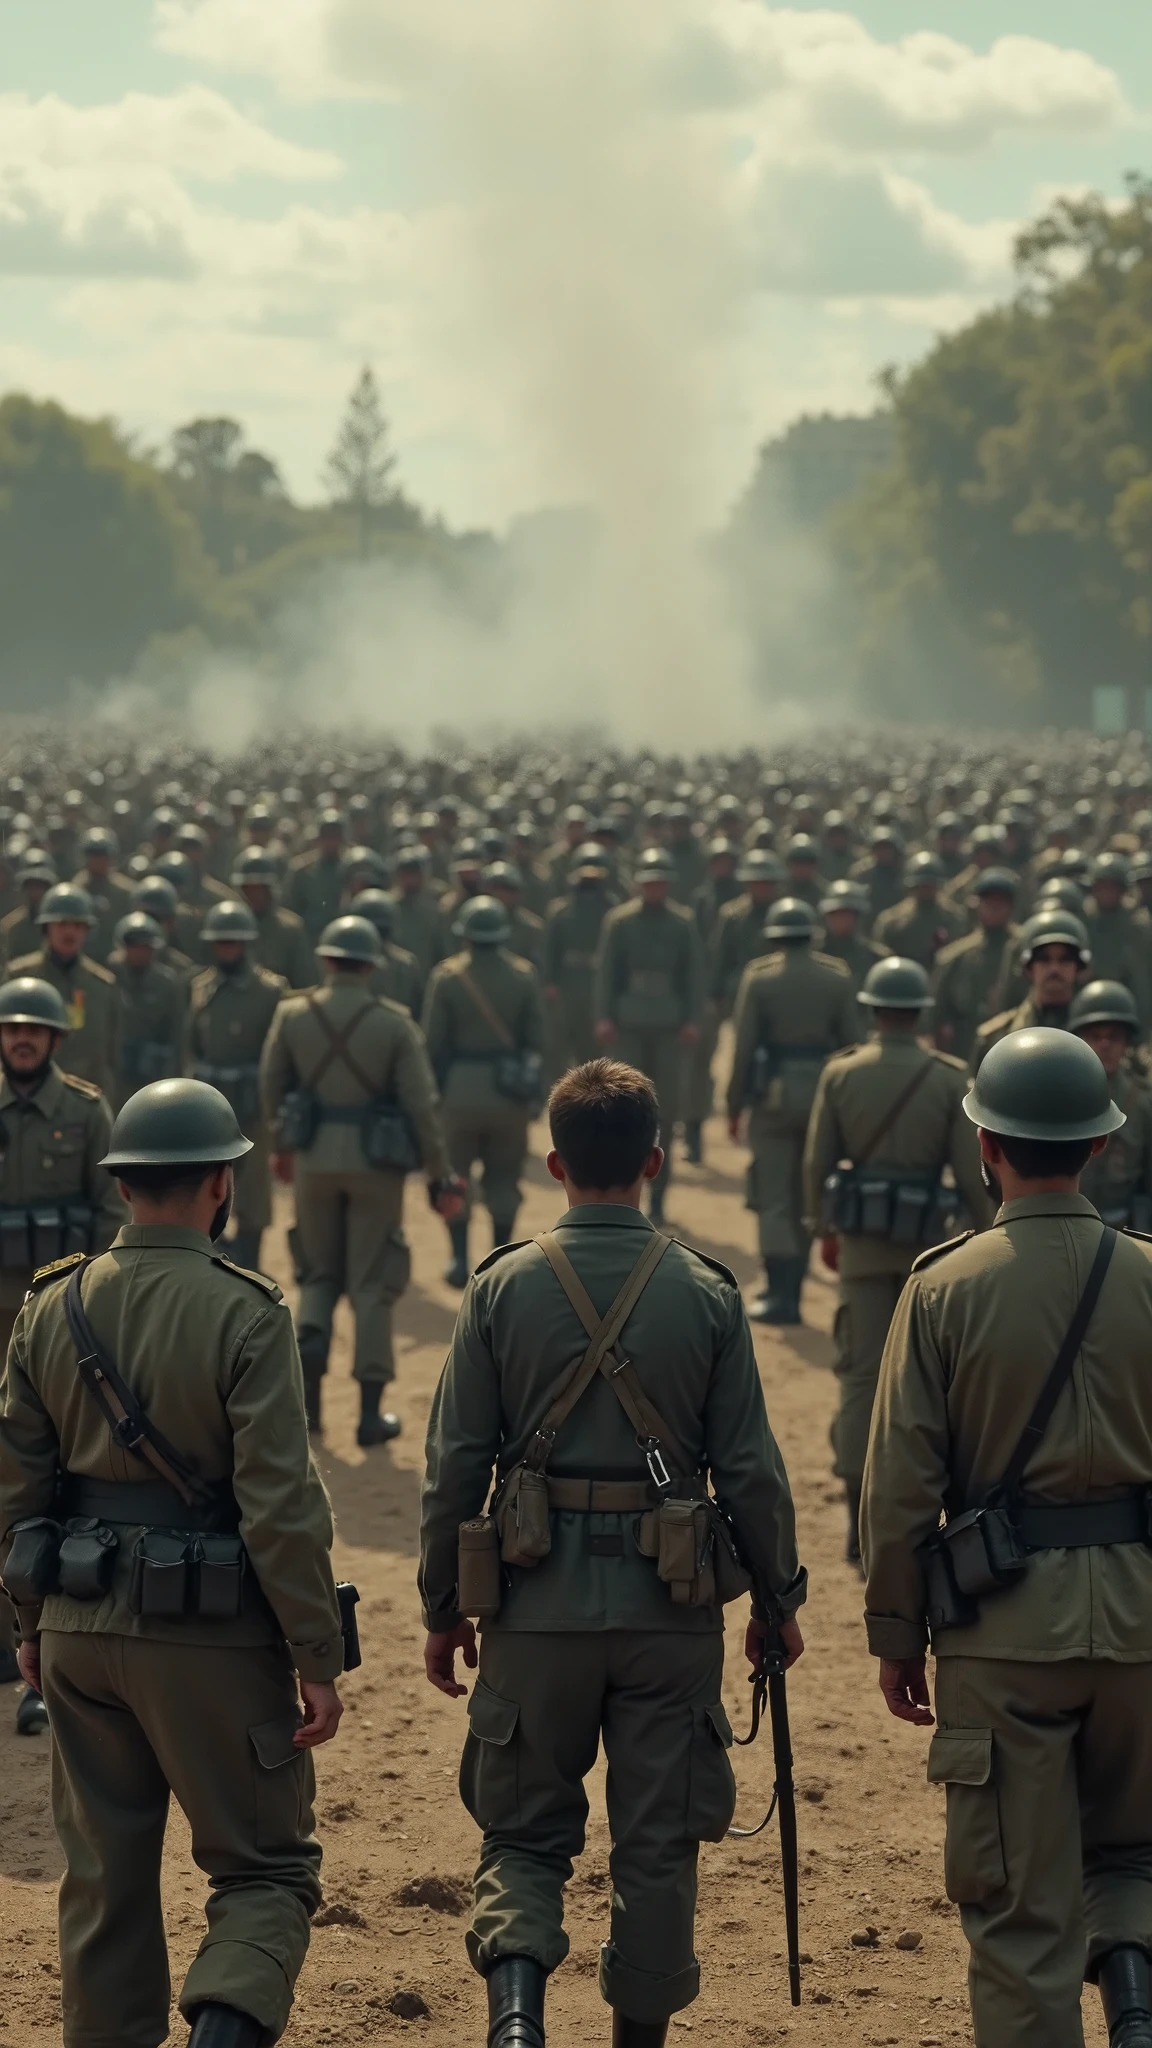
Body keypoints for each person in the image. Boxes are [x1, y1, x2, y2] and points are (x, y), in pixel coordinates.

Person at [418, 1058, 806, 2048]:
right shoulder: (707, 1291)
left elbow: (455, 1462)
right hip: (669, 1610)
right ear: (656, 1161)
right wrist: (778, 1597)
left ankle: (516, 2021)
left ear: (553, 1161)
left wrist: (440, 1606)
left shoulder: (501, 1284)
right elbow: (753, 1469)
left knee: (520, 1830)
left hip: (532, 1600)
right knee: (659, 1842)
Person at [0, 1078, 345, 2048]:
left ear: (120, 1186)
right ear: (221, 1184)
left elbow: (13, 1490)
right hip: (209, 1633)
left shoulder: (52, 1303)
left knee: (104, 1879)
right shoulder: (247, 1309)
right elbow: (281, 1505)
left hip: (74, 1623)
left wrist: (30, 1626)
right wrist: (316, 1653)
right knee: (267, 1868)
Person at [862, 1028, 1152, 2048]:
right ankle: (1135, 2006)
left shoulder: (942, 1286)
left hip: (1000, 1629)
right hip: (1142, 1619)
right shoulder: (1151, 1275)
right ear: (1102, 1145)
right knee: (1135, 1859)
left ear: (984, 1138)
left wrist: (897, 1632)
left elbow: (900, 1484)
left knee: (1021, 1910)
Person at [803, 956, 990, 1563]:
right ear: (920, 1013)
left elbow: (817, 1163)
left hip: (859, 1245)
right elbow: (969, 1175)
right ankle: (919, 1518)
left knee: (860, 1378)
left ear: (873, 1008)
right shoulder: (948, 1077)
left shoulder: (841, 1074)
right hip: (929, 1252)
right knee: (931, 1383)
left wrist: (823, 1228)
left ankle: (858, 1514)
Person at [261, 914, 464, 1442]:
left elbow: (271, 1085)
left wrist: (282, 1148)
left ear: (326, 959)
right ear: (373, 965)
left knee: (317, 1276)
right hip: (378, 1166)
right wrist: (439, 1173)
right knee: (373, 1283)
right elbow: (422, 1105)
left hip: (313, 1163)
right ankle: (370, 1417)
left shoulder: (291, 1014)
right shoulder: (394, 1022)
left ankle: (309, 1411)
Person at [0, 974, 127, 1727]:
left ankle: (40, 1650)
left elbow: (111, 1213)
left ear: (54, 1040)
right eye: (12, 1027)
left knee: (48, 1470)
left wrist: (86, 1308)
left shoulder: (84, 1113)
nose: (22, 1038)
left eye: (34, 1029)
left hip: (54, 1319)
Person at [726, 898, 858, 1325]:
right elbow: (852, 1043)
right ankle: (797, 1289)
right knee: (810, 1190)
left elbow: (744, 1047)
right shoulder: (837, 978)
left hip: (774, 1097)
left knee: (774, 1195)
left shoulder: (760, 978)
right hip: (824, 1092)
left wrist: (734, 1104)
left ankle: (779, 1295)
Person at [423, 896, 546, 1286]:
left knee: (456, 1176)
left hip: (459, 1094)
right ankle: (499, 1263)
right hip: (507, 1094)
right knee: (504, 1179)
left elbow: (433, 1043)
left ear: (466, 936)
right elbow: (537, 1039)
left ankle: (460, 1261)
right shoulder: (523, 975)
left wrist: (437, 1094)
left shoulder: (447, 977)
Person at [593, 848, 704, 1225]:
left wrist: (691, 1019)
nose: (654, 888)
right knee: (620, 1107)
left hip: (669, 1028)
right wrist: (604, 1016)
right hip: (628, 1025)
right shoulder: (619, 922)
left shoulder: (682, 923)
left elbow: (693, 976)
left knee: (664, 1110)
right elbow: (607, 972)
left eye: (660, 882)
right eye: (648, 882)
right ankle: (618, 1189)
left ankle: (659, 1193)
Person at [186, 901, 287, 1275]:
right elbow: (191, 1046)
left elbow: (282, 1051)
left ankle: (254, 1266)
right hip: (211, 1106)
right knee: (207, 1186)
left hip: (255, 1105)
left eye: (233, 942)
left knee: (255, 1194)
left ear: (246, 944)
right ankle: (212, 1264)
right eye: (220, 942)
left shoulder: (271, 990)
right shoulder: (201, 989)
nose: (226, 948)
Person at [6, 881, 120, 1097]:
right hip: (25, 1095)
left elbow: (111, 1054)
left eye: (77, 925)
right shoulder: (19, 976)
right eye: (61, 923)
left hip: (85, 1100)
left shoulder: (102, 985)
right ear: (46, 927)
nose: (69, 932)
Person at [1070, 980, 1152, 1228]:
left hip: (1123, 1224)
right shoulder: (1062, 1094)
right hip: (1068, 1219)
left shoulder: (1143, 1102)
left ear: (1127, 1042)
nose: (1105, 1045)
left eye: (1114, 1037)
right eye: (1095, 1037)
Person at [971, 907, 1093, 1073]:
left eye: (1065, 959)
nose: (1054, 969)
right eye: (1044, 959)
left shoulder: (1099, 1036)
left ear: (1078, 967)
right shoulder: (995, 1039)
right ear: (1028, 968)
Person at [108, 910, 186, 1110]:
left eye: (145, 947)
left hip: (153, 1073)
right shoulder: (109, 978)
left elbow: (178, 1033)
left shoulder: (167, 984)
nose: (139, 952)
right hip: (116, 1074)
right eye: (134, 946)